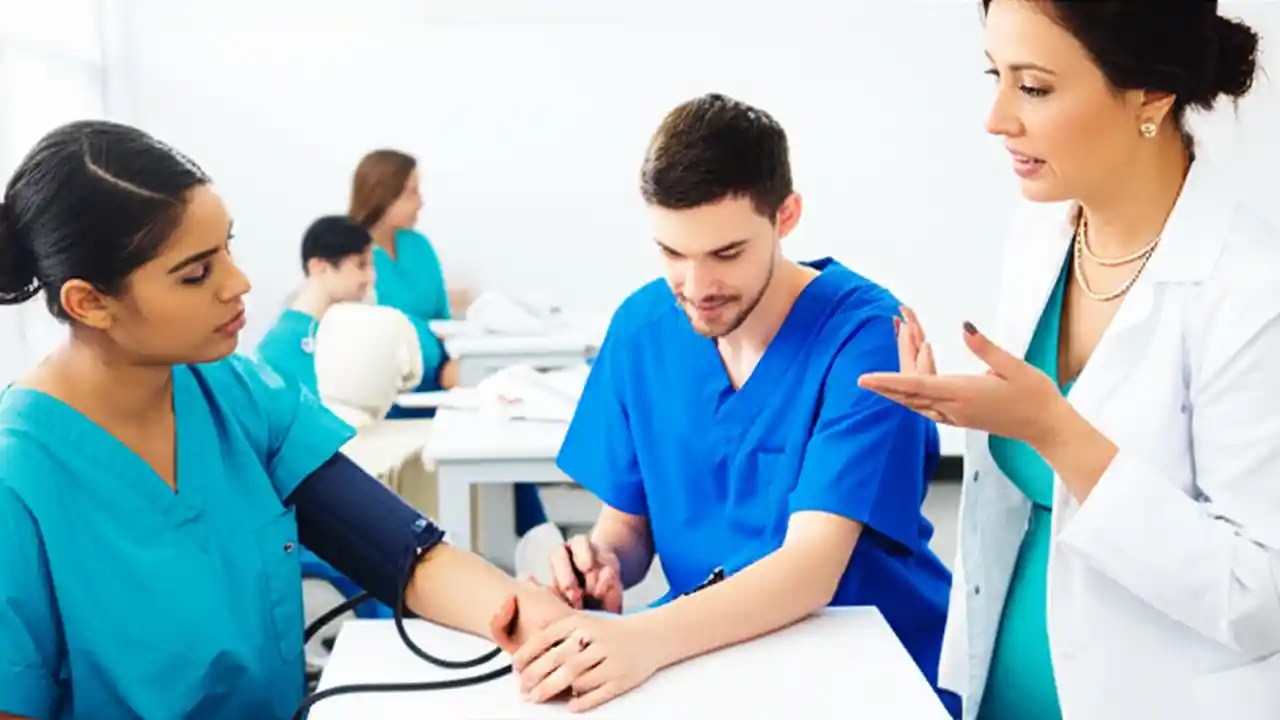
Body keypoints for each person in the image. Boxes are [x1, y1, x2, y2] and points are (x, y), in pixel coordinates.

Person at [0, 120, 569, 720]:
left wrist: (525, 616)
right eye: (196, 273)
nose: (238, 283)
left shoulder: (235, 393)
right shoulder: (20, 476)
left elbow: (398, 552)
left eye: (228, 248)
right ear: (89, 302)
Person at [858, 3, 1280, 719]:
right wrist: (964, 404)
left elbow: (1259, 598)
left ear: (1150, 92)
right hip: (1003, 689)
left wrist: (1055, 431)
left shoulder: (1251, 293)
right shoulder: (1044, 231)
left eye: (1034, 87)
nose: (996, 118)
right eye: (997, 75)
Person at [512, 93, 958, 715]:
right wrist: (602, 560)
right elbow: (629, 529)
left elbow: (810, 570)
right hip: (707, 654)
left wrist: (641, 639)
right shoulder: (643, 329)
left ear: (786, 217)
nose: (696, 289)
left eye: (726, 255)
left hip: (861, 662)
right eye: (672, 254)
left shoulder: (864, 337)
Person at [350, 149, 549, 537]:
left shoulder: (418, 247)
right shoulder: (356, 261)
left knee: (501, 421)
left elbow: (441, 320)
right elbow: (372, 339)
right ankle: (535, 537)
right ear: (382, 194)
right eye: (410, 191)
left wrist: (454, 364)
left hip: (441, 377)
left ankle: (536, 539)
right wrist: (441, 370)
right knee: (487, 428)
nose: (420, 200)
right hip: (396, 397)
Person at [256, 215, 375, 392]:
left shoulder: (348, 332)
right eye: (361, 265)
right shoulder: (277, 348)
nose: (370, 277)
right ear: (320, 267)